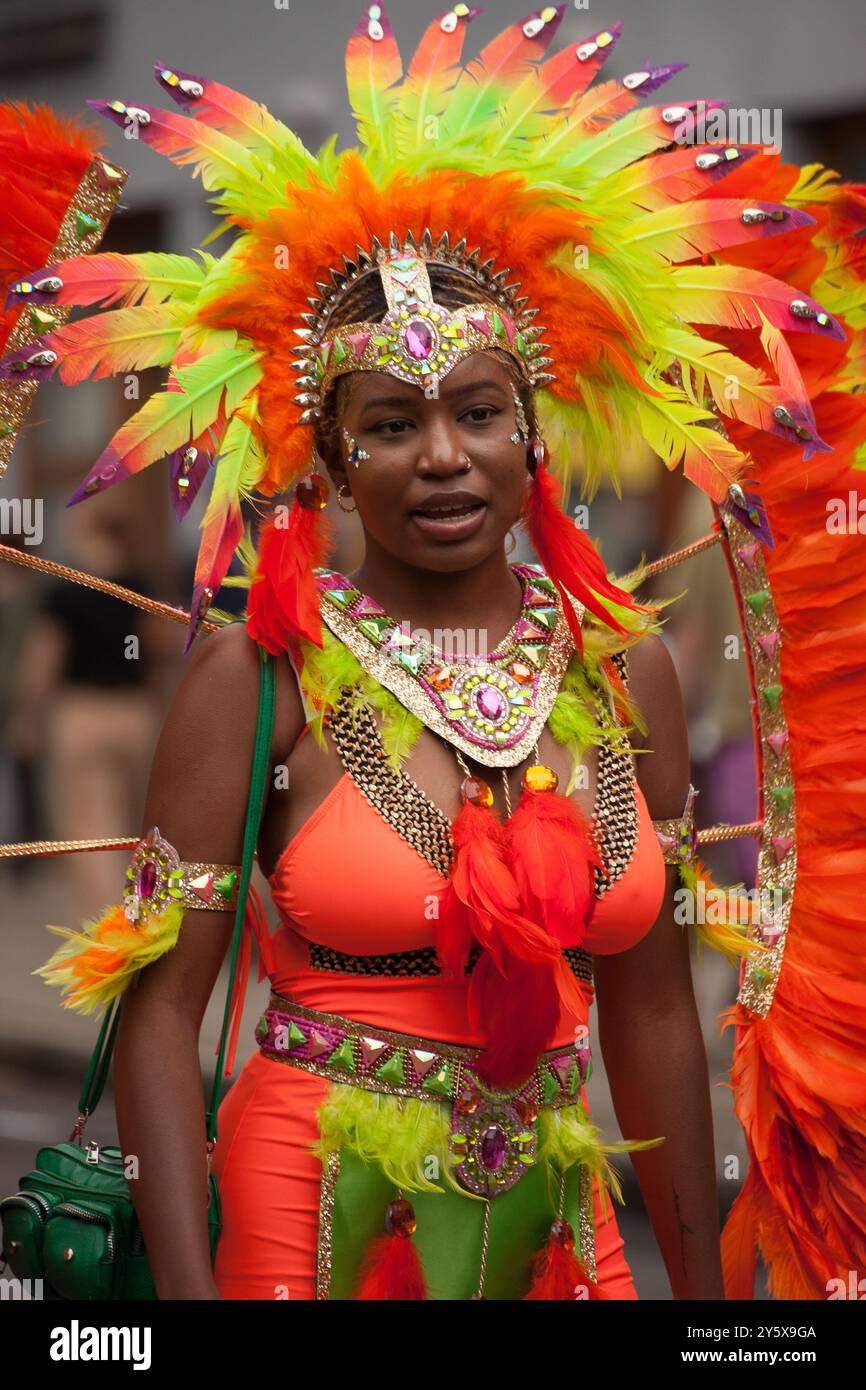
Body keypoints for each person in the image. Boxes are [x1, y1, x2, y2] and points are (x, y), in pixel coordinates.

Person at [4, 4, 866, 1301]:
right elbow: (163, 1014)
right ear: (335, 462)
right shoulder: (260, 677)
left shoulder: (619, 667)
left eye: (476, 412)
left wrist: (711, 1314)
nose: (443, 455)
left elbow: (644, 1020)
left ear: (534, 437)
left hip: (562, 1224)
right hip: (310, 1216)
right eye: (392, 423)